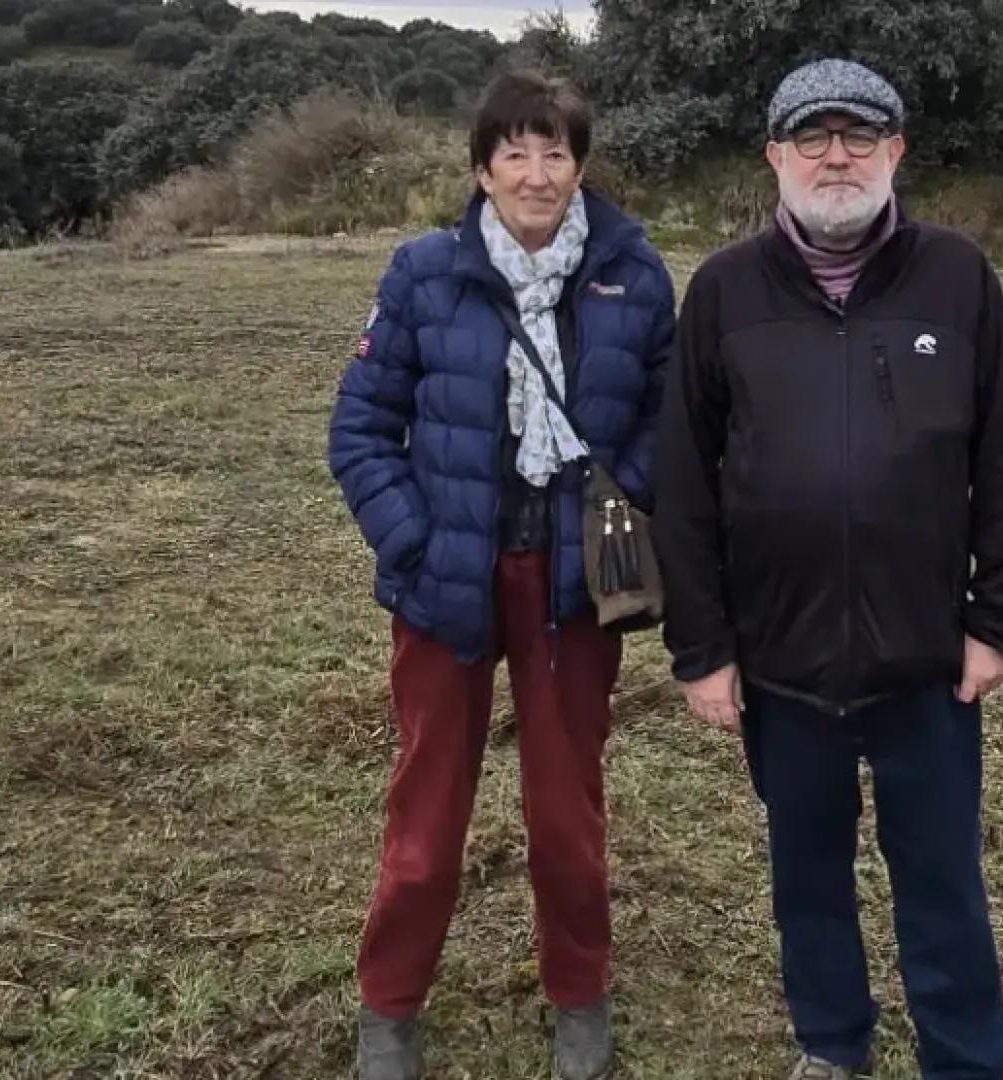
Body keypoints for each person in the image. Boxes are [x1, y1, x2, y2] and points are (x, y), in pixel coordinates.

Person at [650, 57, 1003, 1080]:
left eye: (859, 136)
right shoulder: (725, 291)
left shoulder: (957, 276)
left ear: (896, 152)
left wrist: (999, 624)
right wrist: (702, 648)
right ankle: (832, 1045)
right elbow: (685, 484)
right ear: (776, 156)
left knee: (944, 884)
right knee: (807, 880)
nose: (838, 157)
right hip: (781, 664)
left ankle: (964, 1059)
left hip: (926, 664)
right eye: (813, 138)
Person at [326, 69, 676, 1080]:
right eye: (514, 151)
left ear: (580, 164)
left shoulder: (635, 274)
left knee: (567, 815)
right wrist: (416, 542)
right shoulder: (422, 274)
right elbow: (359, 431)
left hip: (575, 588)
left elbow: (674, 418)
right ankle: (388, 1008)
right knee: (428, 816)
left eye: (556, 149)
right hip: (451, 580)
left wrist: (626, 495)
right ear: (481, 167)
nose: (536, 171)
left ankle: (580, 996)